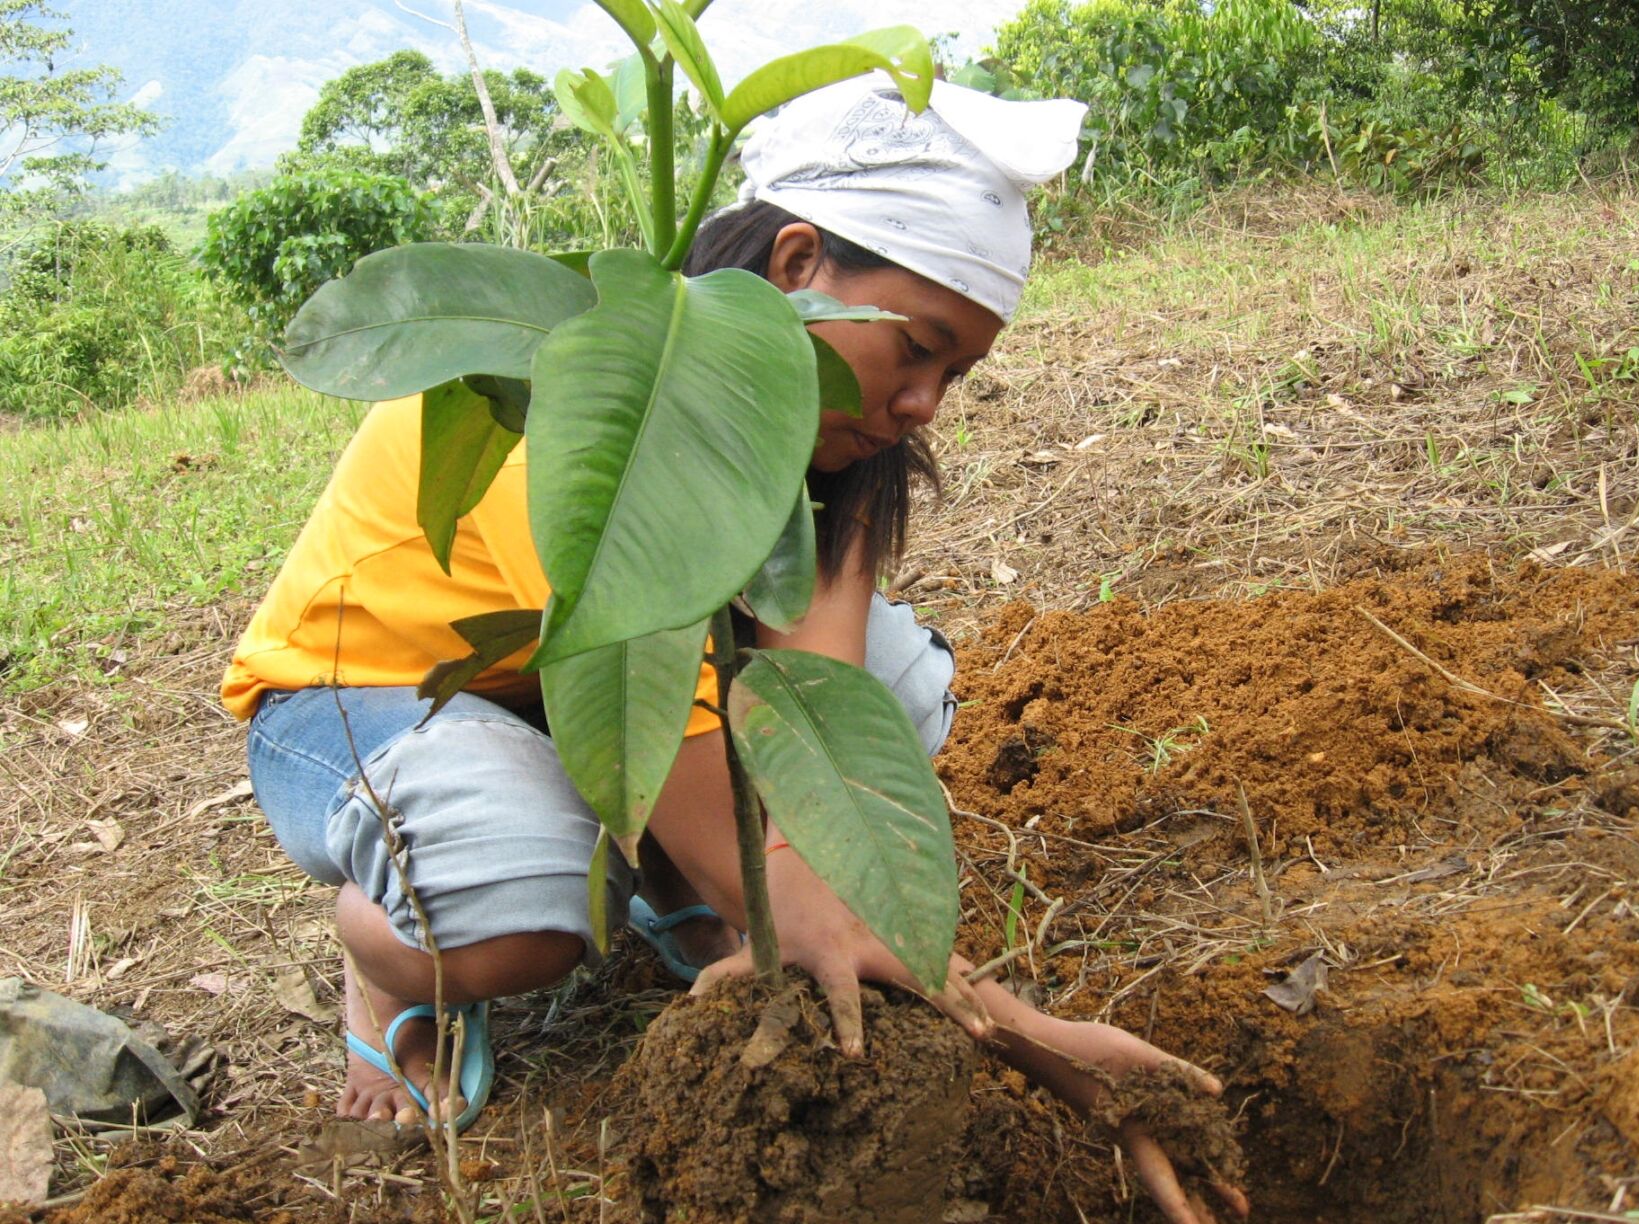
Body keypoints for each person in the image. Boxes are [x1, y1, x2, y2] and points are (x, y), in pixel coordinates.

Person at [224, 76, 1246, 1223]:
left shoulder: (835, 452)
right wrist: (1044, 1046)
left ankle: (665, 883)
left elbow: (826, 740)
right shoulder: (589, 406)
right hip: (371, 690)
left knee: (881, 699)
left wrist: (818, 898)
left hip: (585, 709)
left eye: (954, 374)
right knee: (526, 906)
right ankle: (390, 959)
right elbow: (738, 801)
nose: (923, 406)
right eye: (917, 347)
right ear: (796, 265)